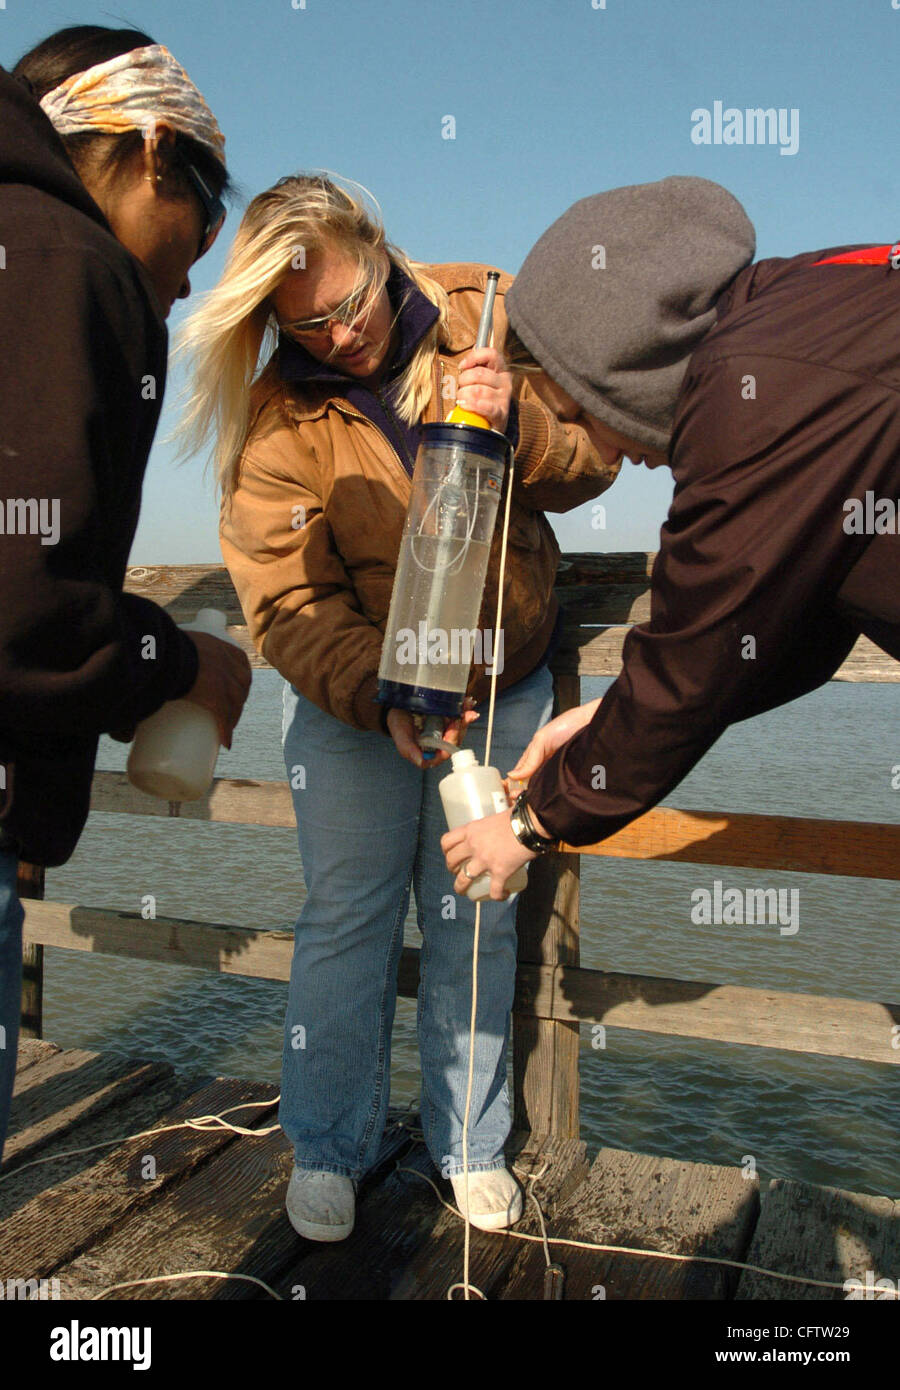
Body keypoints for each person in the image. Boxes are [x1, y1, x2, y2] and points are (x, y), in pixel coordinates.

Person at [176, 172, 620, 1238]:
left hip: (504, 684)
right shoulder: (279, 408)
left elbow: (600, 455)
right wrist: (380, 694)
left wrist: (528, 429)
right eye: (306, 324)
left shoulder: (487, 314)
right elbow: (287, 598)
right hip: (354, 707)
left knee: (478, 911)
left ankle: (468, 1143)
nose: (340, 333)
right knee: (348, 921)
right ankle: (330, 1143)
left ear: (378, 247)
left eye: (352, 300)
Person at [440, 175, 900, 897]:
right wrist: (614, 710)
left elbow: (698, 649)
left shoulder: (757, 393)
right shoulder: (805, 309)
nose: (607, 451)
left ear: (628, 368)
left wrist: (532, 824)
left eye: (583, 414)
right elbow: (785, 627)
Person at [0, 26, 252, 1164]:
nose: (195, 269)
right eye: (206, 217)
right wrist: (181, 661)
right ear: (152, 150)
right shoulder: (66, 260)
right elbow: (25, 600)